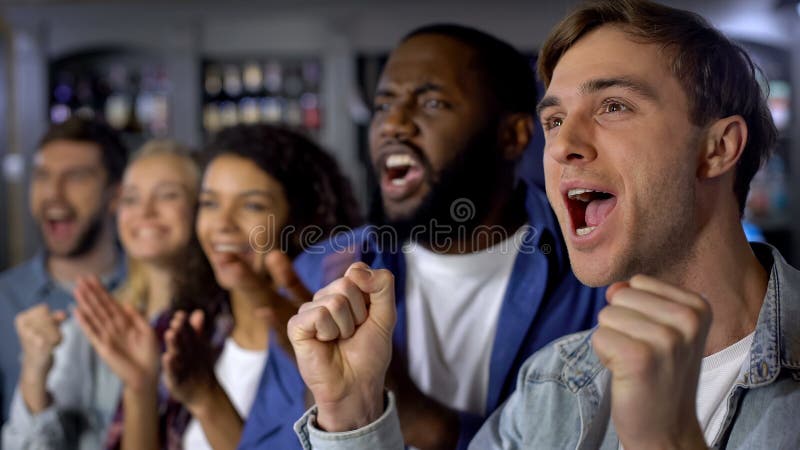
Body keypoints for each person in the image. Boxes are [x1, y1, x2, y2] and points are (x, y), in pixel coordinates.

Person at [288, 1, 800, 449]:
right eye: (554, 120)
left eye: (613, 106)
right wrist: (354, 417)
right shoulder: (555, 382)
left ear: (717, 148)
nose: (560, 147)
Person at [240, 24, 605, 450]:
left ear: (512, 136)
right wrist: (333, 418)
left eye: (433, 103)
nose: (393, 124)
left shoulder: (593, 271)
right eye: (383, 105)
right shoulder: (324, 271)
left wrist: (421, 420)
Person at [76, 124, 361, 450]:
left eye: (252, 206)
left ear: (299, 222)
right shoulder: (187, 330)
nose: (223, 225)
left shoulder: (333, 343)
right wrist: (140, 386)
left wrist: (206, 398)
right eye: (210, 204)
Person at [2, 139, 208, 449]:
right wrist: (34, 373)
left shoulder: (222, 325)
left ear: (201, 208)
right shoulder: (96, 324)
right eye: (131, 199)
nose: (145, 212)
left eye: (168, 195)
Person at [0, 117, 129, 432]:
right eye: (42, 176)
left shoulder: (153, 293)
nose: (53, 194)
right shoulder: (4, 300)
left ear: (115, 195)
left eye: (76, 177)